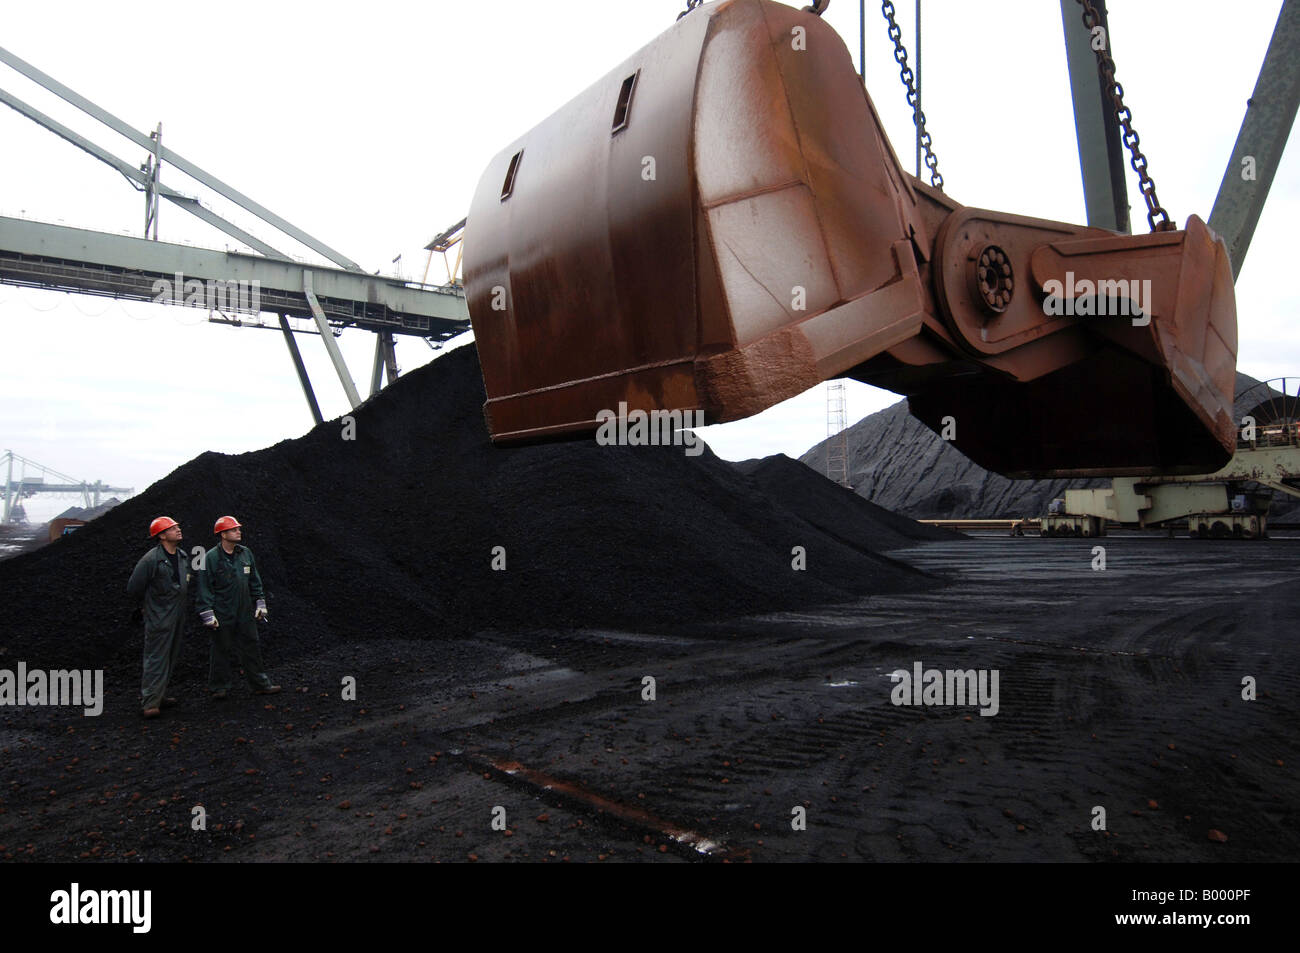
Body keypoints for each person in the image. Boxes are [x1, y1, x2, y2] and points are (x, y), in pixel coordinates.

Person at [196, 516, 281, 699]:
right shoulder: (210, 558)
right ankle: (219, 687)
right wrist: (208, 614)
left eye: (238, 529)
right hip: (222, 611)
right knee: (221, 649)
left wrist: (260, 603)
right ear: (223, 534)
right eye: (234, 530)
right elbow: (204, 588)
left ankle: (260, 684)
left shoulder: (245, 553)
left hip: (244, 611)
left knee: (251, 645)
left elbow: (254, 581)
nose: (239, 532)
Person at [126, 516, 190, 718]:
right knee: (156, 658)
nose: (178, 529)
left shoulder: (182, 556)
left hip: (177, 613)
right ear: (162, 535)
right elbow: (134, 587)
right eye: (173, 528)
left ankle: (159, 695)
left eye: (178, 526)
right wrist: (149, 606)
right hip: (159, 616)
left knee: (171, 655)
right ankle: (150, 703)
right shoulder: (150, 559)